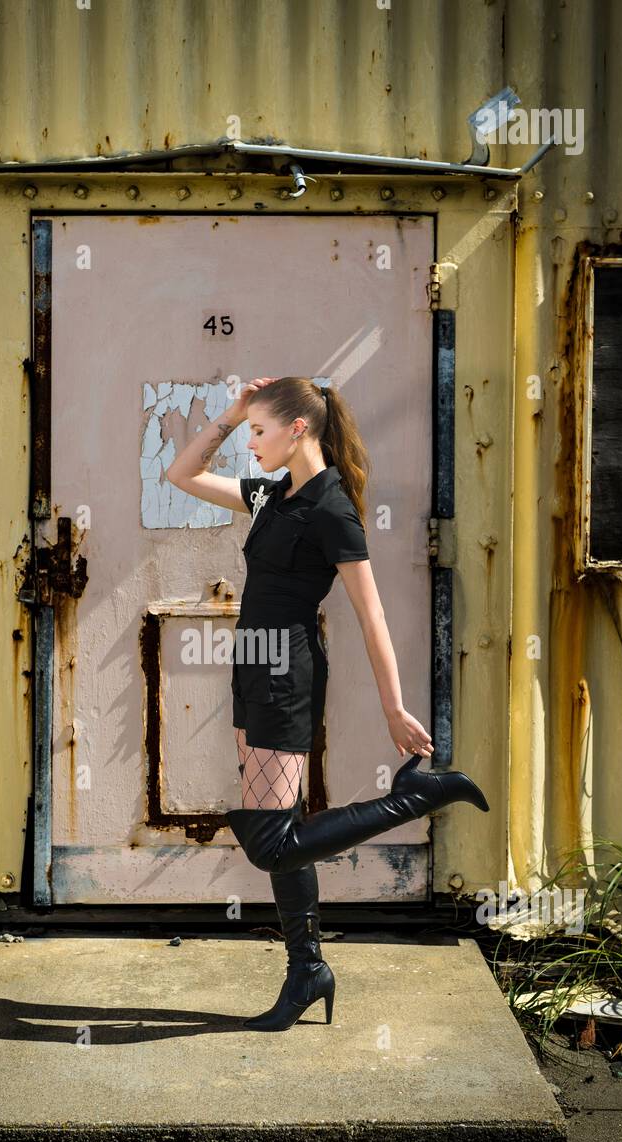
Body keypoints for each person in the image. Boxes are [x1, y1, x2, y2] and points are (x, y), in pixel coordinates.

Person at [167, 376, 488, 1032]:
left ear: (299, 429)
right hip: (251, 665)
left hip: (286, 673)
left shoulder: (331, 508)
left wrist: (394, 709)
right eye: (249, 431)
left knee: (269, 842)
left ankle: (415, 798)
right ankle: (306, 970)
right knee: (282, 833)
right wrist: (230, 416)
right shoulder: (271, 493)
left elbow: (371, 619)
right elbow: (183, 472)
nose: (250, 444)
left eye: (259, 431)